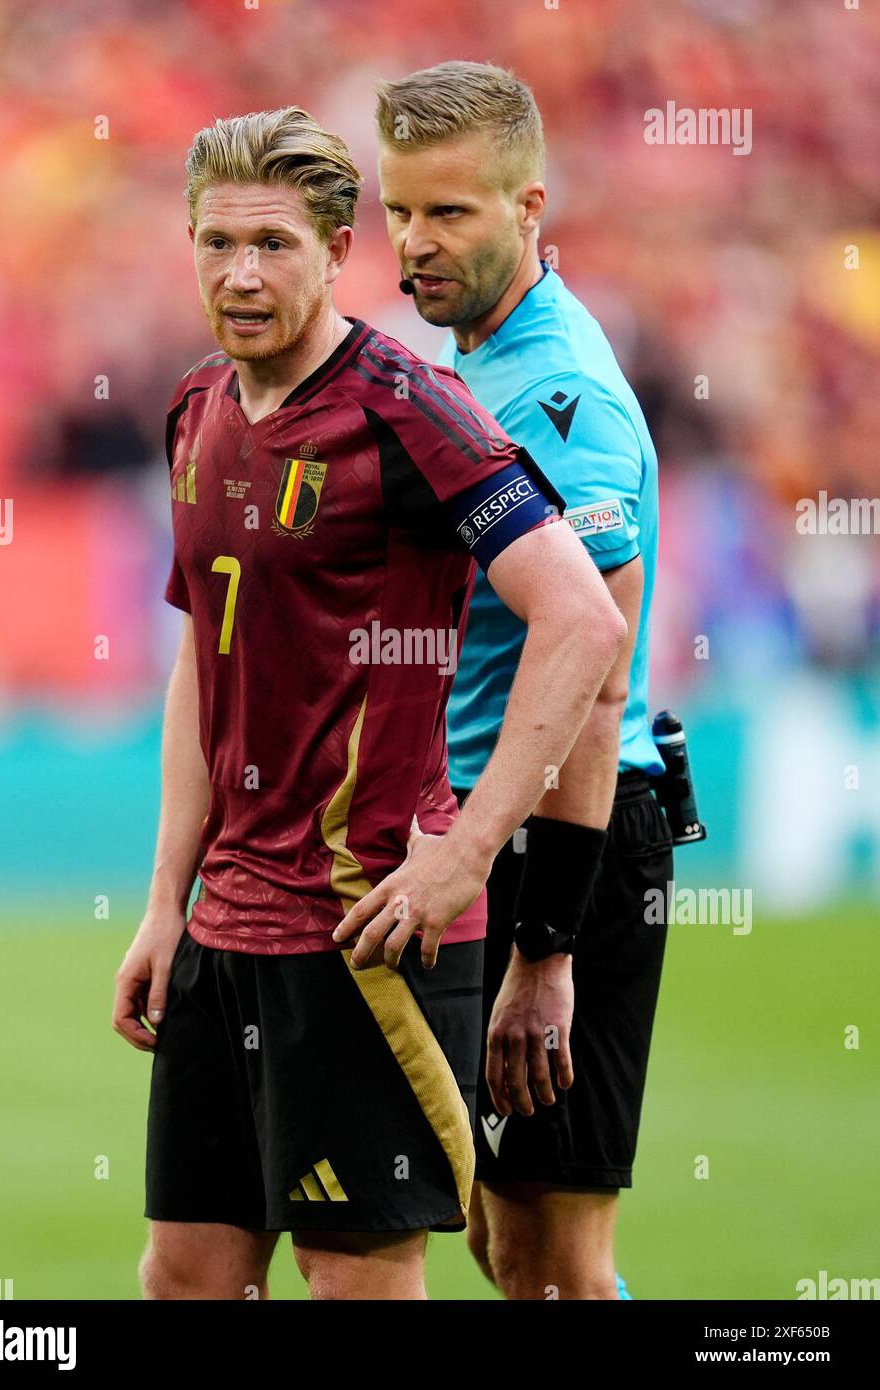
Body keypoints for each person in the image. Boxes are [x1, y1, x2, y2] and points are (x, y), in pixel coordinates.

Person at [112, 106, 626, 1301]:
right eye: (217, 243)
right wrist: (160, 902)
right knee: (182, 1277)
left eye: (275, 245)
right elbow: (205, 658)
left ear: (339, 248)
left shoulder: (409, 410)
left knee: (356, 1285)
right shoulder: (194, 410)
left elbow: (582, 622)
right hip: (225, 930)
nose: (241, 274)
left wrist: (464, 858)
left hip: (363, 935)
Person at [376, 61, 673, 1301]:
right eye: (398, 211)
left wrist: (546, 949)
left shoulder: (562, 401)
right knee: (502, 1243)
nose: (413, 243)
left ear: (529, 207)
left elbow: (595, 671)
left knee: (554, 1263)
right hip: (493, 827)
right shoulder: (473, 361)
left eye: (448, 213)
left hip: (568, 845)